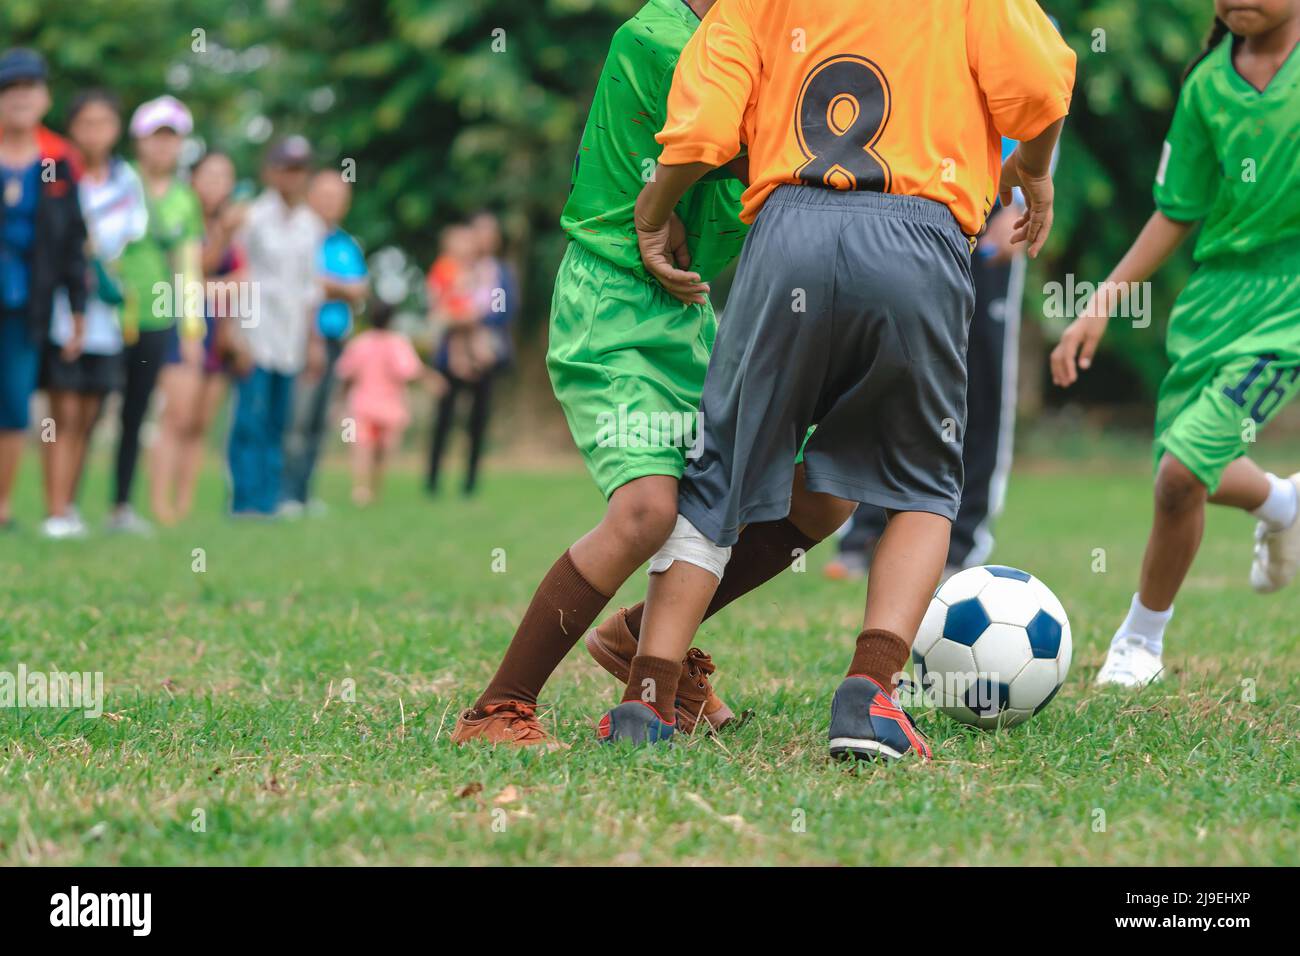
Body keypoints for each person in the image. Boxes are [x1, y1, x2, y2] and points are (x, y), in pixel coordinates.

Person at [596, 0, 1074, 758]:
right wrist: (1035, 176)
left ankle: (645, 702)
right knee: (920, 484)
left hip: (787, 230)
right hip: (920, 236)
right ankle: (869, 694)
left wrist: (654, 210)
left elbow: (705, 124)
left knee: (718, 473)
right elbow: (1043, 86)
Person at [452, 0, 860, 750]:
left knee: (826, 492)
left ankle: (644, 639)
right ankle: (497, 709)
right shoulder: (660, 38)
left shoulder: (774, 37)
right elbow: (760, 143)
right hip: (611, 302)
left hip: (693, 310)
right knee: (646, 511)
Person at [1053, 0, 1300, 688]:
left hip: (1290, 304)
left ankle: (1139, 642)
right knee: (1180, 476)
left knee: (1183, 469)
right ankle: (1284, 504)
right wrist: (1100, 302)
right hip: (1213, 302)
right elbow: (1176, 209)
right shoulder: (1206, 86)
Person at [825, 141, 1032, 579]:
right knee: (884, 362)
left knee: (980, 378)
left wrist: (1023, 198)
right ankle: (863, 532)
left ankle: (961, 543)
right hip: (902, 181)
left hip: (991, 190)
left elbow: (1039, 94)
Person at [40, 88, 148, 539]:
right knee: (61, 412)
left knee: (88, 413)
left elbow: (131, 234)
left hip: (106, 311)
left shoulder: (126, 180)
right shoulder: (57, 173)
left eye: (104, 123)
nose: (94, 133)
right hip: (63, 309)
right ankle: (56, 509)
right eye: (86, 123)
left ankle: (71, 505)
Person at [0, 48, 87, 532]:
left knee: (13, 401)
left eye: (29, 88)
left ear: (44, 97)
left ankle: (3, 505)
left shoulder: (57, 161)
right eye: (9, 89)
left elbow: (72, 238)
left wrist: (77, 308)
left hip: (26, 300)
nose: (19, 98)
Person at [111, 94, 205, 534]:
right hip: (109, 314)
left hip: (157, 318)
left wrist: (190, 328)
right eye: (156, 137)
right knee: (85, 408)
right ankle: (64, 510)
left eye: (172, 138)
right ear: (138, 140)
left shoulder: (185, 200)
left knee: (137, 410)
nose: (164, 147)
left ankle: (122, 506)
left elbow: (188, 266)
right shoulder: (119, 181)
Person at [228, 136, 323, 517]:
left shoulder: (310, 224)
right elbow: (238, 273)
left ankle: (269, 500)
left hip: (292, 334)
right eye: (285, 167)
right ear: (271, 171)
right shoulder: (250, 217)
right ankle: (244, 500)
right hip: (255, 328)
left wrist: (314, 340)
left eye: (299, 169)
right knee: (249, 417)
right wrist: (235, 332)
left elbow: (310, 287)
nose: (292, 176)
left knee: (279, 421)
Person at [280, 169, 368, 513]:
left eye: (338, 197)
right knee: (295, 419)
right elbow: (302, 282)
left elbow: (359, 290)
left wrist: (328, 286)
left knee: (319, 421)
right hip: (300, 339)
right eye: (325, 195)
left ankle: (303, 493)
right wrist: (337, 287)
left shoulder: (346, 243)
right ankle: (284, 494)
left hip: (336, 342)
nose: (331, 203)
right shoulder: (300, 236)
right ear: (310, 196)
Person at [425, 212, 513, 496]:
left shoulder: (500, 272)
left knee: (478, 421)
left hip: (484, 350)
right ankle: (433, 480)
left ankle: (470, 483)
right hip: (451, 350)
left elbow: (506, 310)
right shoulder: (451, 267)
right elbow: (438, 305)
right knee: (444, 419)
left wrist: (477, 321)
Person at [335, 299, 422, 505]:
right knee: (382, 450)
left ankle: (360, 489)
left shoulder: (359, 343)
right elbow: (408, 372)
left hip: (362, 404)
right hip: (390, 406)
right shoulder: (398, 343)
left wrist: (339, 400)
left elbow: (346, 374)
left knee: (362, 448)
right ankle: (374, 489)